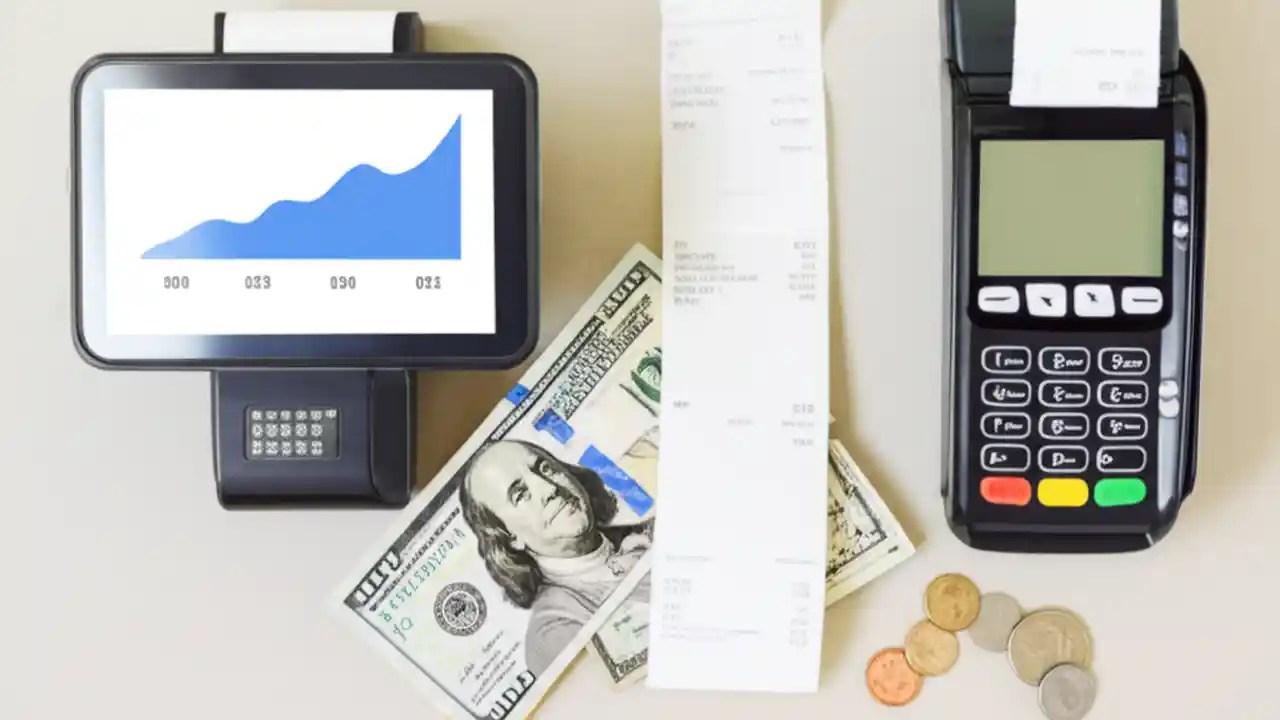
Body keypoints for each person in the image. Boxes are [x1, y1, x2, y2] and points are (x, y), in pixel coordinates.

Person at [458, 439, 651, 675]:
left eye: (546, 469)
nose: (549, 489)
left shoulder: (650, 532)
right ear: (510, 538)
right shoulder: (553, 632)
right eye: (520, 494)